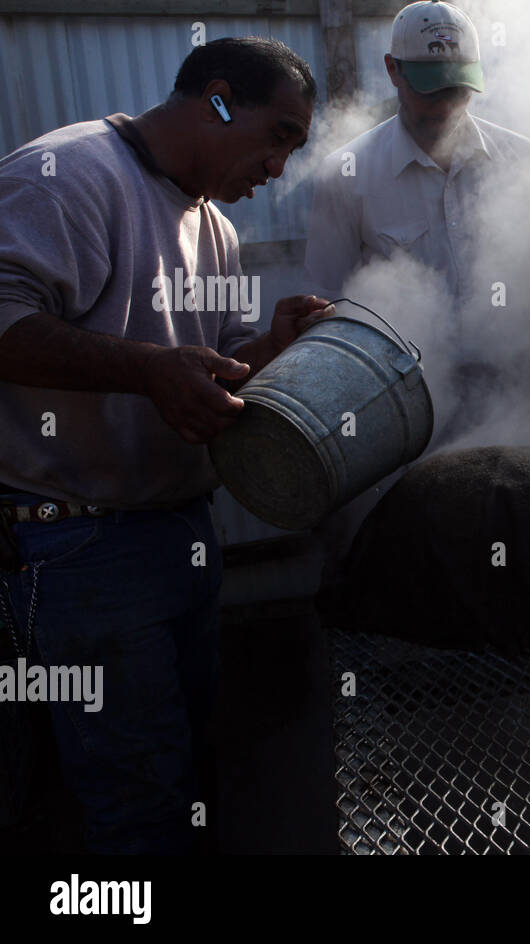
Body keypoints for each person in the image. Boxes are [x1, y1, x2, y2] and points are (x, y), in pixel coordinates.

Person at [0, 36, 332, 852]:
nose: (280, 168)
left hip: (177, 535)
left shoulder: (213, 229)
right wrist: (152, 371)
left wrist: (274, 345)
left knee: (177, 766)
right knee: (131, 800)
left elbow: (209, 373)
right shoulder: (70, 173)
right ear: (217, 98)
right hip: (76, 542)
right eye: (280, 135)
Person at [305, 0, 530, 444]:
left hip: (517, 405)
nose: (444, 108)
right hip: (408, 422)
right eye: (429, 91)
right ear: (394, 70)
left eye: (457, 90)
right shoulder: (347, 174)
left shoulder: (519, 159)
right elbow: (328, 313)